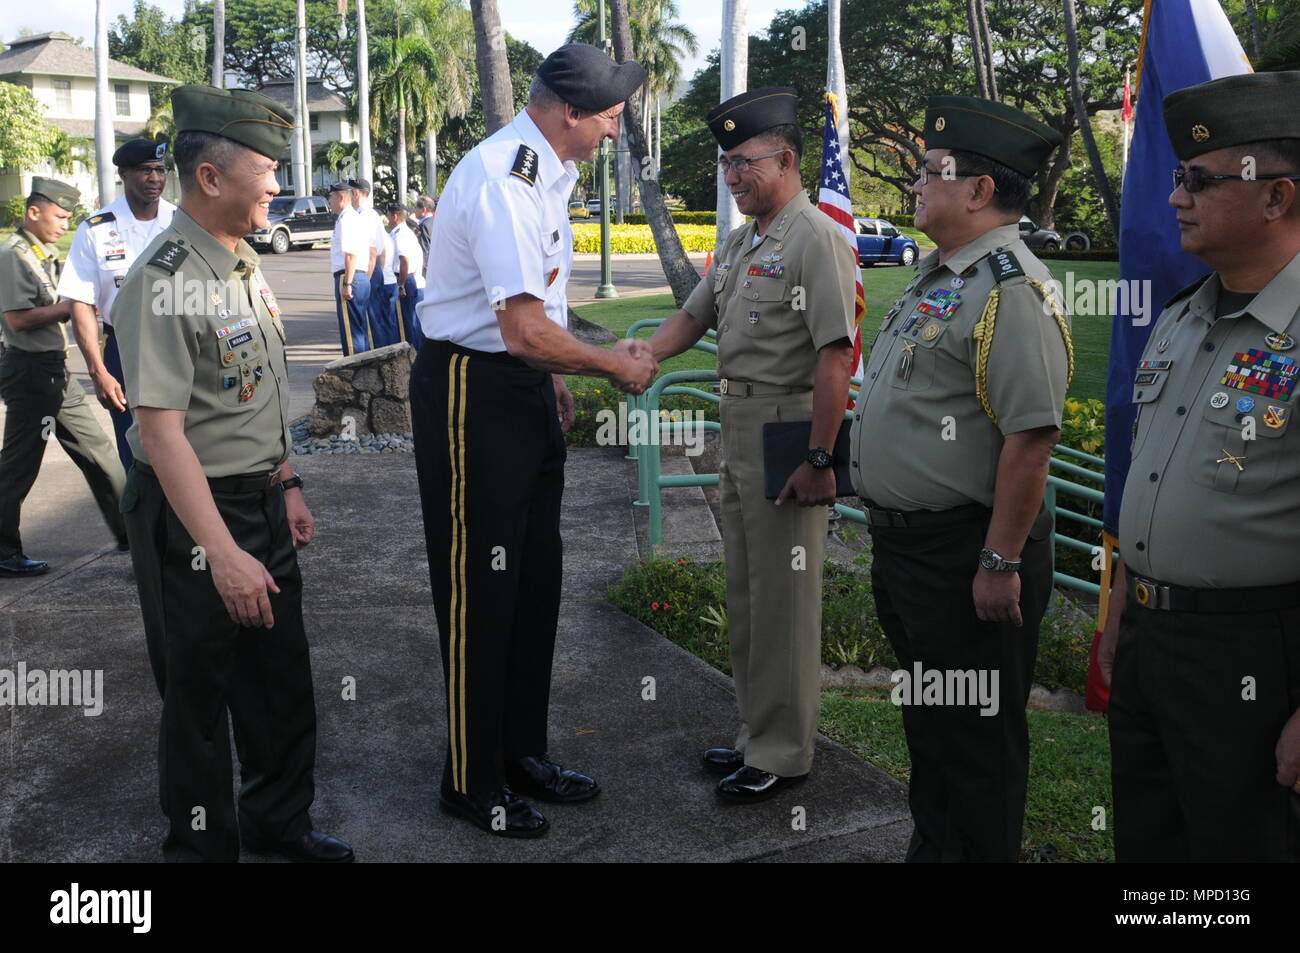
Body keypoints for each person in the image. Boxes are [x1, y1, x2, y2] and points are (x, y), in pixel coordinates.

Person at [411, 43, 651, 838]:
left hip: (519, 386)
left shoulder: (551, 171)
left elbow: (534, 305)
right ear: (569, 112)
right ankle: (471, 779)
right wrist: (606, 364)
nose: (617, 132)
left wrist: (552, 380)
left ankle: (521, 753)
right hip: (470, 389)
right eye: (611, 118)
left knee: (535, 577)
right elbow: (517, 328)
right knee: (481, 585)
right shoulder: (503, 175)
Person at [113, 84, 352, 863]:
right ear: (210, 178)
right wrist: (221, 553)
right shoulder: (163, 277)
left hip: (260, 500)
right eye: (268, 168)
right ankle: (200, 850)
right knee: (198, 696)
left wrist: (285, 480)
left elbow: (254, 388)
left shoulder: (240, 257)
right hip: (193, 515)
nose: (280, 185)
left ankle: (277, 823)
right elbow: (163, 432)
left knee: (280, 681)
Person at [848, 95, 1070, 862]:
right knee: (934, 729)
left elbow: (1031, 436)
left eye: (930, 172)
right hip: (914, 555)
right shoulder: (942, 276)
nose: (915, 184)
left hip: (966, 555)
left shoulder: (1011, 286)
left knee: (976, 745)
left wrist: (999, 560)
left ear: (978, 190)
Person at [1098, 71, 1300, 862]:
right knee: (1151, 842)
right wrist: (1120, 616)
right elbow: (1149, 480)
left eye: (1198, 181)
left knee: (1242, 850)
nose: (1175, 198)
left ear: (1276, 198)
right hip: (1152, 636)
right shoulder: (1183, 318)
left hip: (1253, 654)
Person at [645, 88, 857, 802]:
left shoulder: (816, 238)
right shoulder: (744, 241)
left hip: (789, 435)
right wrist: (636, 360)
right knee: (747, 592)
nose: (731, 178)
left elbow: (835, 356)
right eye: (726, 165)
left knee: (785, 602)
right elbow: (690, 317)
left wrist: (821, 457)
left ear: (786, 159)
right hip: (737, 430)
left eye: (743, 163)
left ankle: (786, 751)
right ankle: (755, 730)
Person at [0, 177, 127, 577]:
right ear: (33, 212)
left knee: (102, 456)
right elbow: (17, 320)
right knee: (19, 466)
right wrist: (75, 306)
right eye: (58, 215)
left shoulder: (44, 252)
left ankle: (133, 533)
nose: (63, 222)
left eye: (68, 216)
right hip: (31, 373)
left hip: (56, 372)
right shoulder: (12, 254)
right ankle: (3, 552)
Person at [59, 138, 176, 470]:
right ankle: (141, 520)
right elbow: (80, 302)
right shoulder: (96, 229)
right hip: (123, 349)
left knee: (189, 439)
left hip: (178, 343)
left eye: (160, 170)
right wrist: (98, 371)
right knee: (134, 448)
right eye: (144, 170)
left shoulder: (181, 222)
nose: (155, 178)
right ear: (124, 174)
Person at [349, 178, 399, 348]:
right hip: (374, 270)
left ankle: (381, 361)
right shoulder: (368, 215)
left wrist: (368, 280)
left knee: (374, 322)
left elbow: (373, 252)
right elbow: (381, 251)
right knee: (378, 320)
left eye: (350, 192)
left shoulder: (365, 215)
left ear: (356, 193)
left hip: (370, 271)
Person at [328, 181, 371, 355]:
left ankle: (355, 373)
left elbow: (350, 254)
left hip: (349, 277)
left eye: (330, 198)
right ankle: (364, 371)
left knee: (351, 333)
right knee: (359, 330)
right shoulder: (353, 217)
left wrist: (347, 283)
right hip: (360, 277)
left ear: (340, 197)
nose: (329, 202)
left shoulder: (347, 219)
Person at [386, 202, 424, 350]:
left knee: (406, 323)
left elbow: (404, 261)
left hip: (404, 278)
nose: (388, 218)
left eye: (389, 215)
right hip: (406, 278)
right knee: (409, 320)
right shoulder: (401, 232)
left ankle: (411, 355)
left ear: (395, 216)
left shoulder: (401, 234)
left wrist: (401, 284)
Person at [412, 195, 436, 263]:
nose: (414, 210)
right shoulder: (435, 221)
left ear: (423, 210)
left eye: (415, 207)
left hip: (425, 268)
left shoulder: (423, 226)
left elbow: (424, 251)